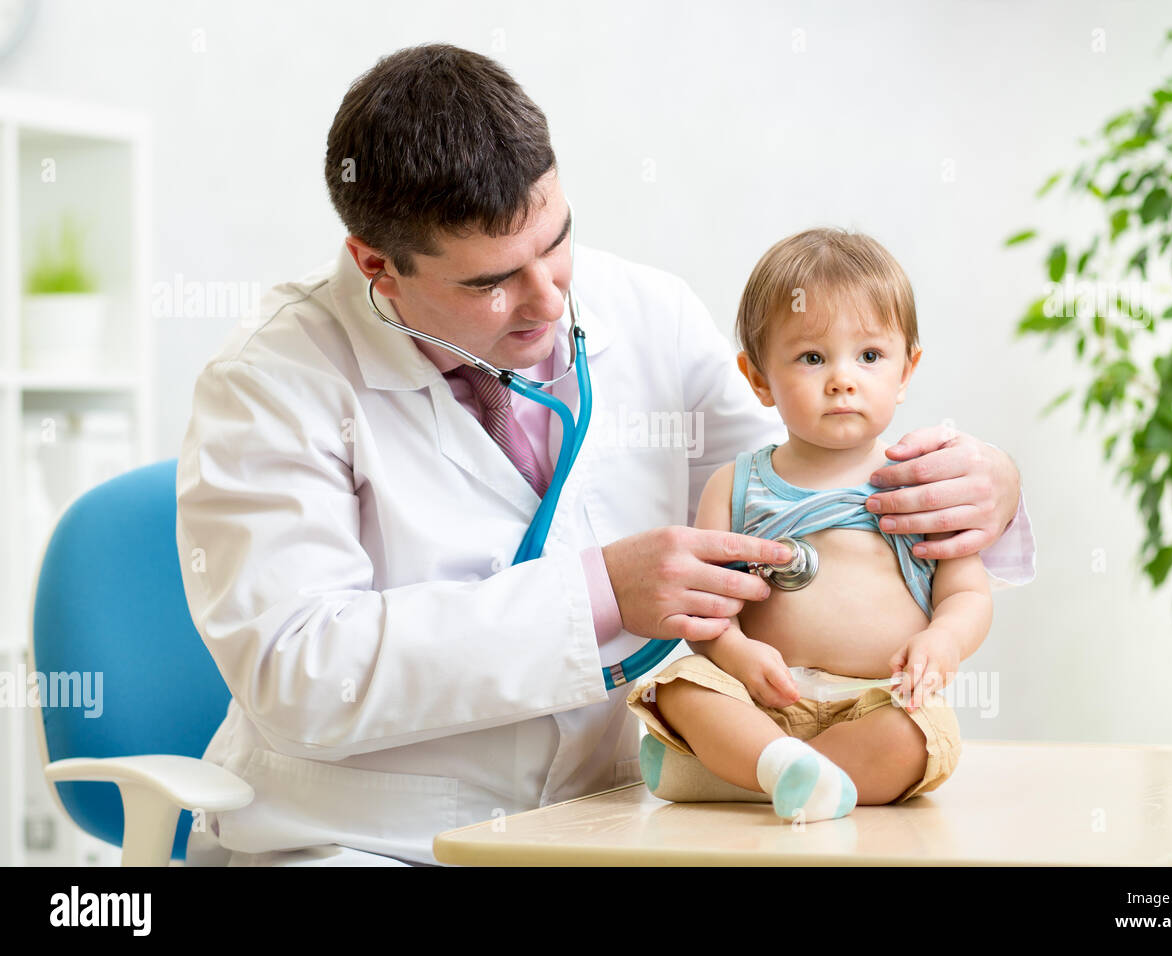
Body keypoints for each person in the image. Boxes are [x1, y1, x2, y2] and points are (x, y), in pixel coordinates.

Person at [175, 44, 1036, 866]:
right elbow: (298, 671)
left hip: (610, 823)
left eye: (555, 242)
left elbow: (798, 488)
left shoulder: (646, 311)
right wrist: (599, 595)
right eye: (489, 282)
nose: (548, 299)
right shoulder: (271, 384)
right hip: (364, 838)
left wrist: (986, 486)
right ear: (378, 266)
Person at [627, 228, 989, 820]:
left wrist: (943, 639)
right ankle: (781, 766)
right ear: (759, 379)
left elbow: (968, 592)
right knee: (681, 685)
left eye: (870, 356)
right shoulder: (734, 487)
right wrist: (738, 655)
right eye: (812, 357)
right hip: (760, 702)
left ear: (906, 371)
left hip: (874, 702)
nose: (842, 378)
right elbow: (705, 610)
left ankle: (751, 775)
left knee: (917, 737)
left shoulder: (921, 487)